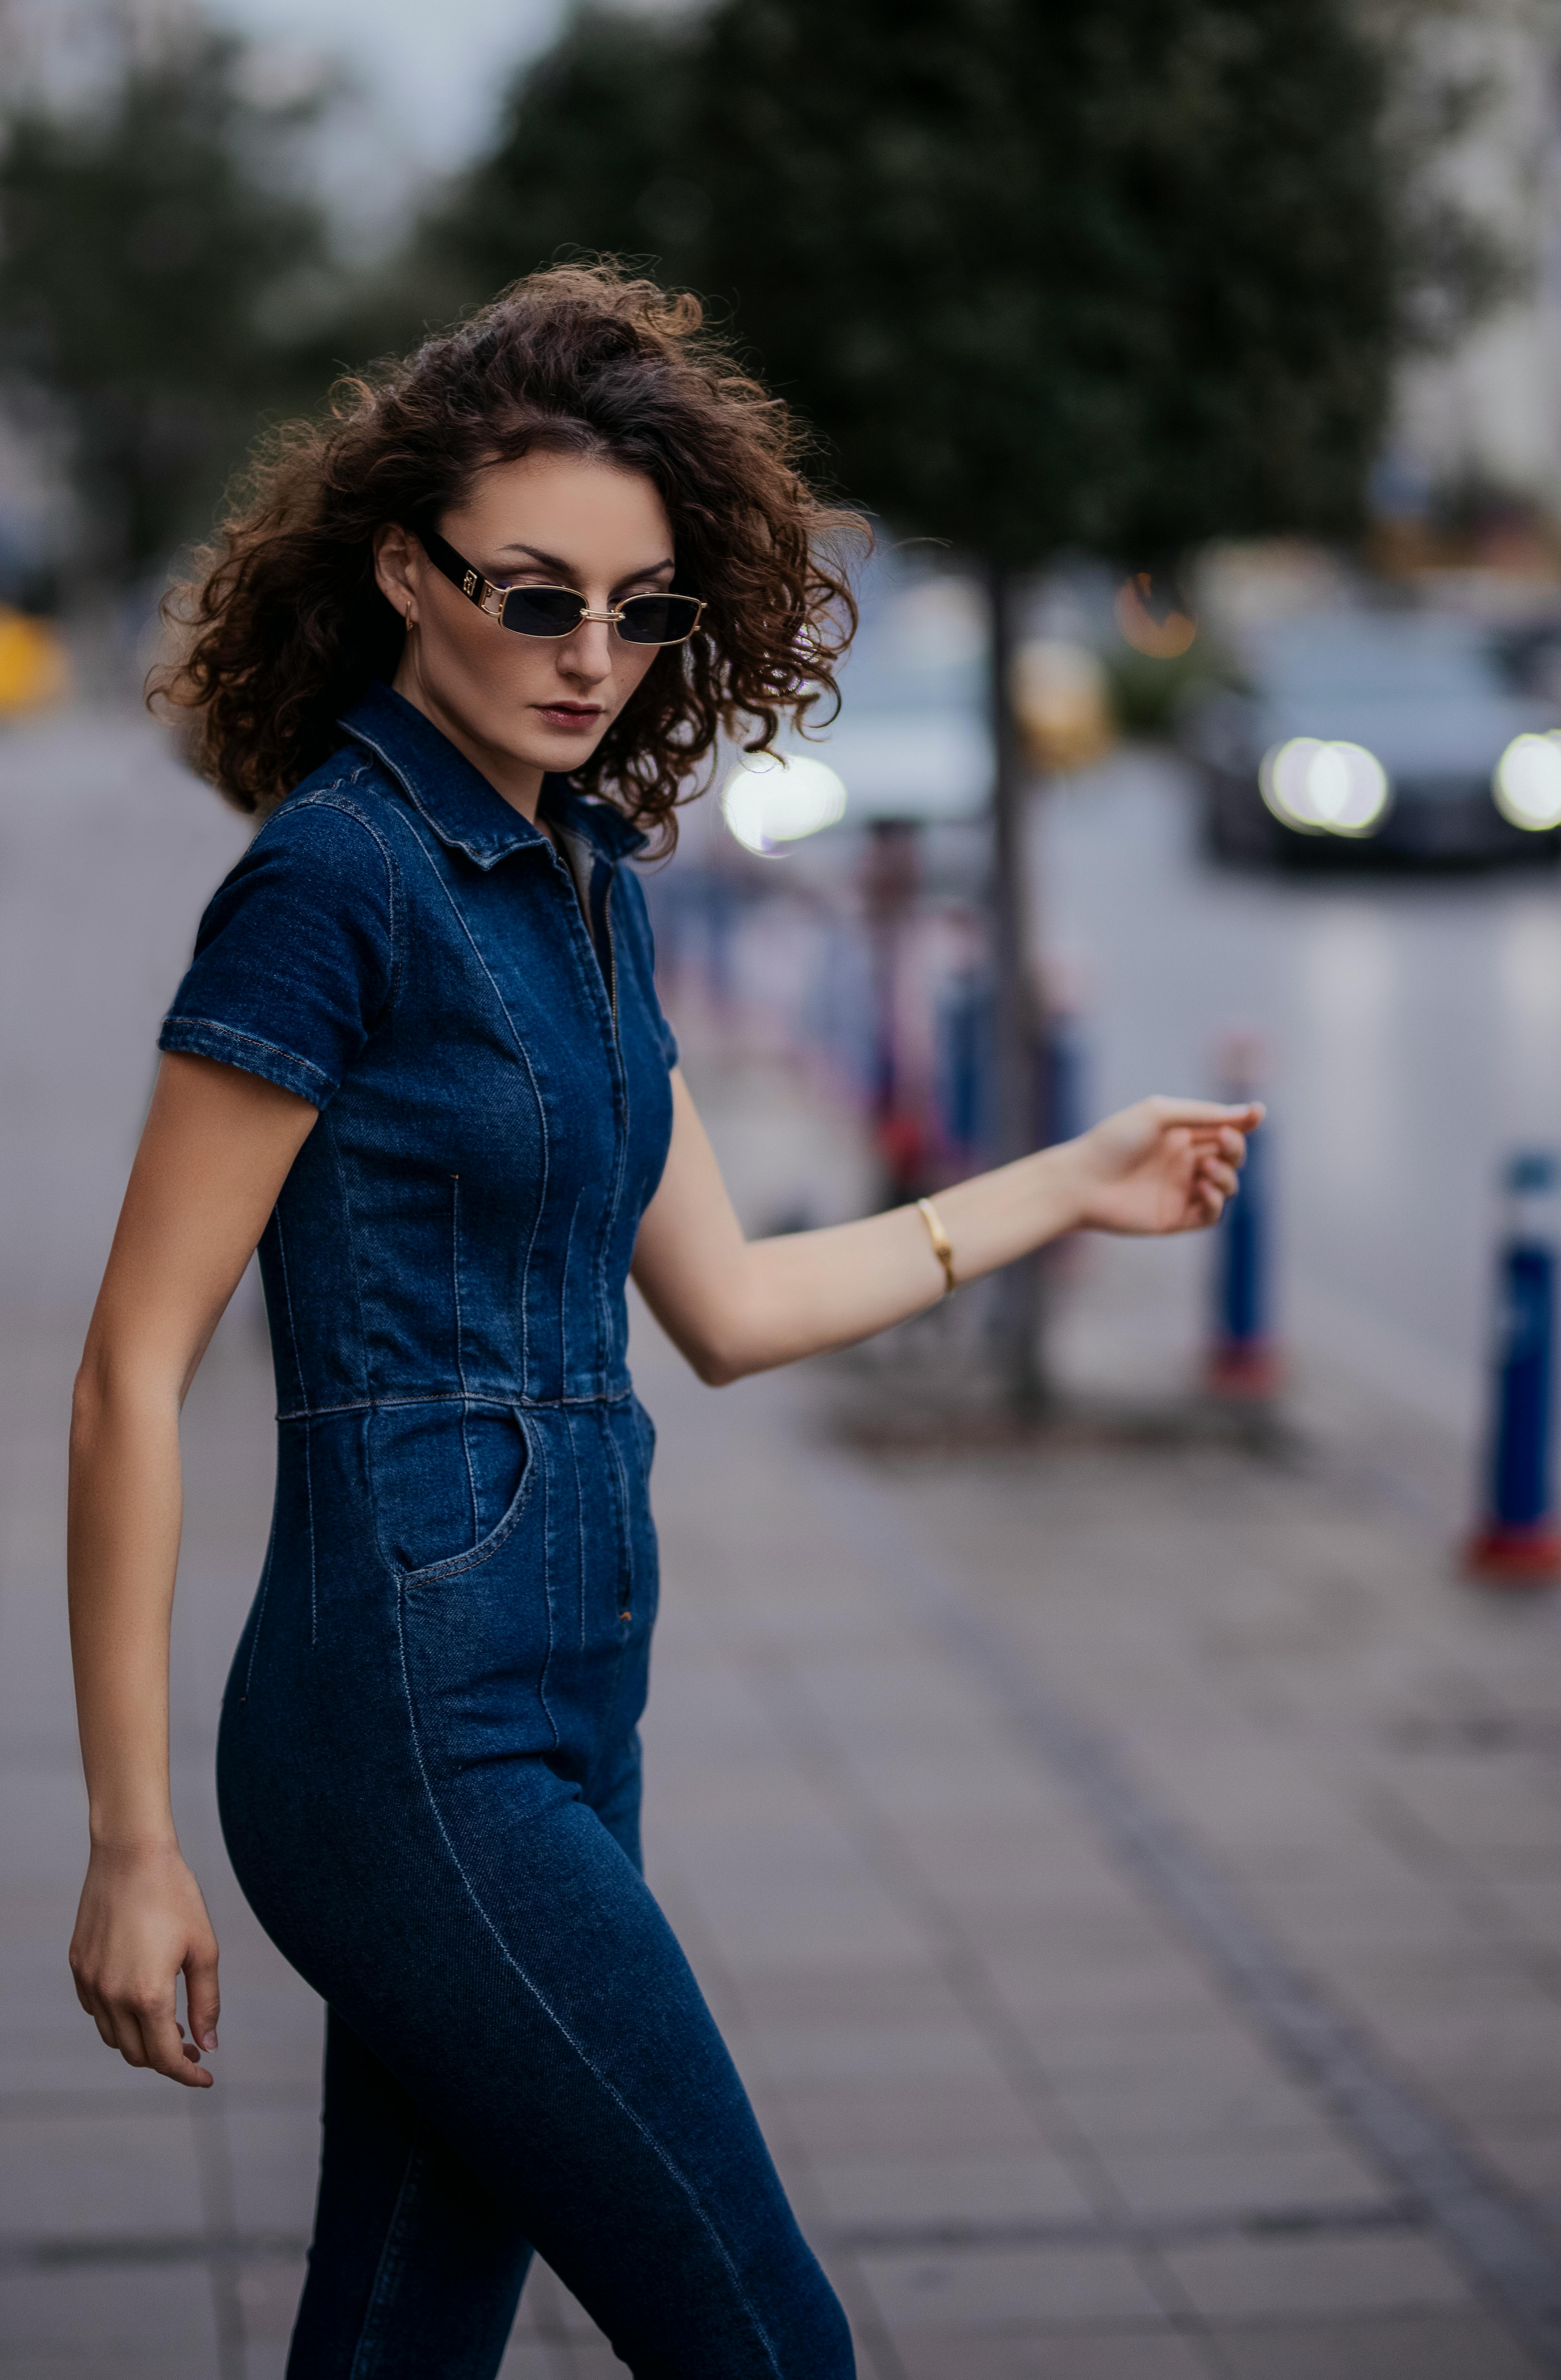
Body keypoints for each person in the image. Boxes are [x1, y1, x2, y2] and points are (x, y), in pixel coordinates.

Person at [66, 266, 1259, 2379]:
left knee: (402, 2332)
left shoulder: (592, 875)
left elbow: (724, 1298)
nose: (592, 658)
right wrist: (131, 1842)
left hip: (565, 1695)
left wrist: (1065, 1183)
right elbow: (129, 1374)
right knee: (764, 2339)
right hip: (401, 1733)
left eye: (642, 611)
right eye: (535, 599)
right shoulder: (331, 881)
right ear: (403, 574)